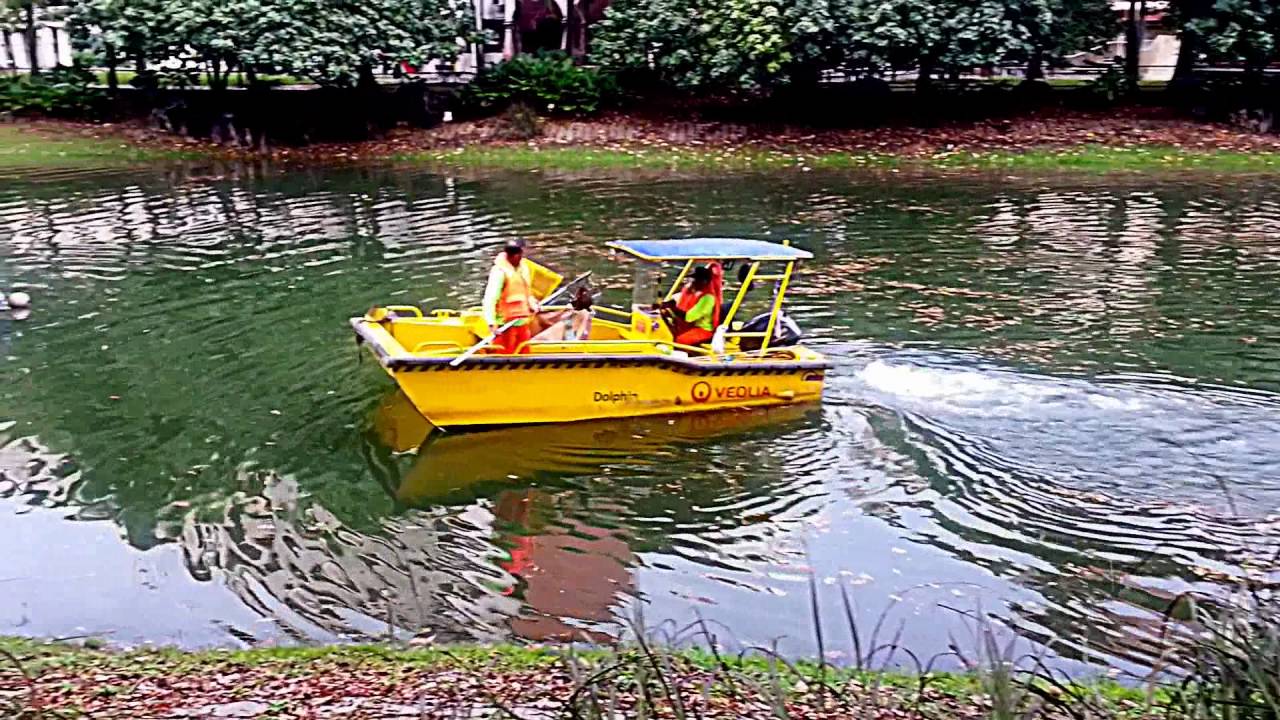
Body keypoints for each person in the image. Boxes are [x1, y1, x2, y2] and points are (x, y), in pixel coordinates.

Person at [482, 238, 540, 354]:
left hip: (521, 322)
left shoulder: (523, 269)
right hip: (504, 324)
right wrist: (491, 323)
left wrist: (532, 304)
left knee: (524, 352)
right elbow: (490, 299)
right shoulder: (499, 273)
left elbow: (527, 292)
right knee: (504, 354)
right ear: (514, 255)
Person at [663, 263, 722, 346]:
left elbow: (689, 317)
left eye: (696, 279)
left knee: (680, 340)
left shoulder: (708, 298)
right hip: (690, 326)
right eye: (694, 279)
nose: (693, 282)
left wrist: (673, 308)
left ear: (704, 281)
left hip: (703, 329)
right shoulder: (692, 293)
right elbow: (676, 302)